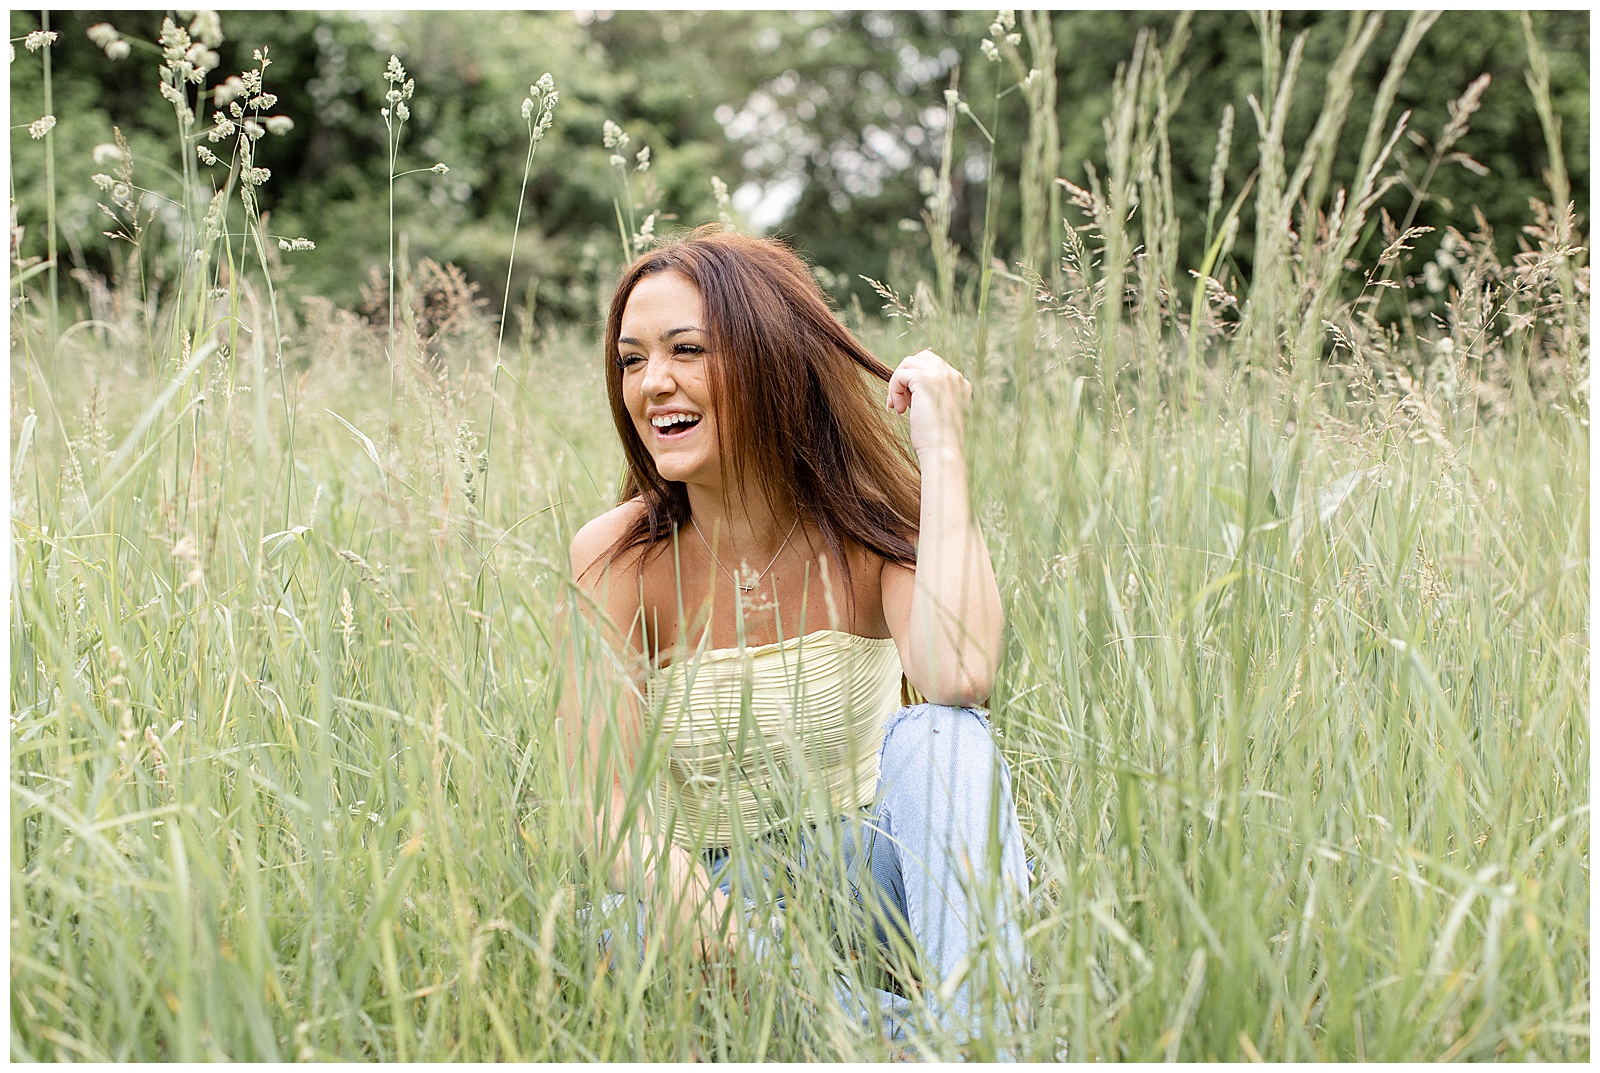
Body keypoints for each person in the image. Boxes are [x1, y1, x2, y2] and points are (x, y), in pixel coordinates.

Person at [559, 225, 1029, 1050]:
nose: (653, 383)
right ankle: (946, 1046)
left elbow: (959, 672)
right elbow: (606, 807)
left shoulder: (872, 527)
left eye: (687, 349)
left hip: (872, 883)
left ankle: (983, 1034)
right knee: (620, 928)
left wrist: (944, 453)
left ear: (770, 358)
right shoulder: (617, 555)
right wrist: (721, 925)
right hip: (706, 900)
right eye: (632, 360)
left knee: (944, 735)